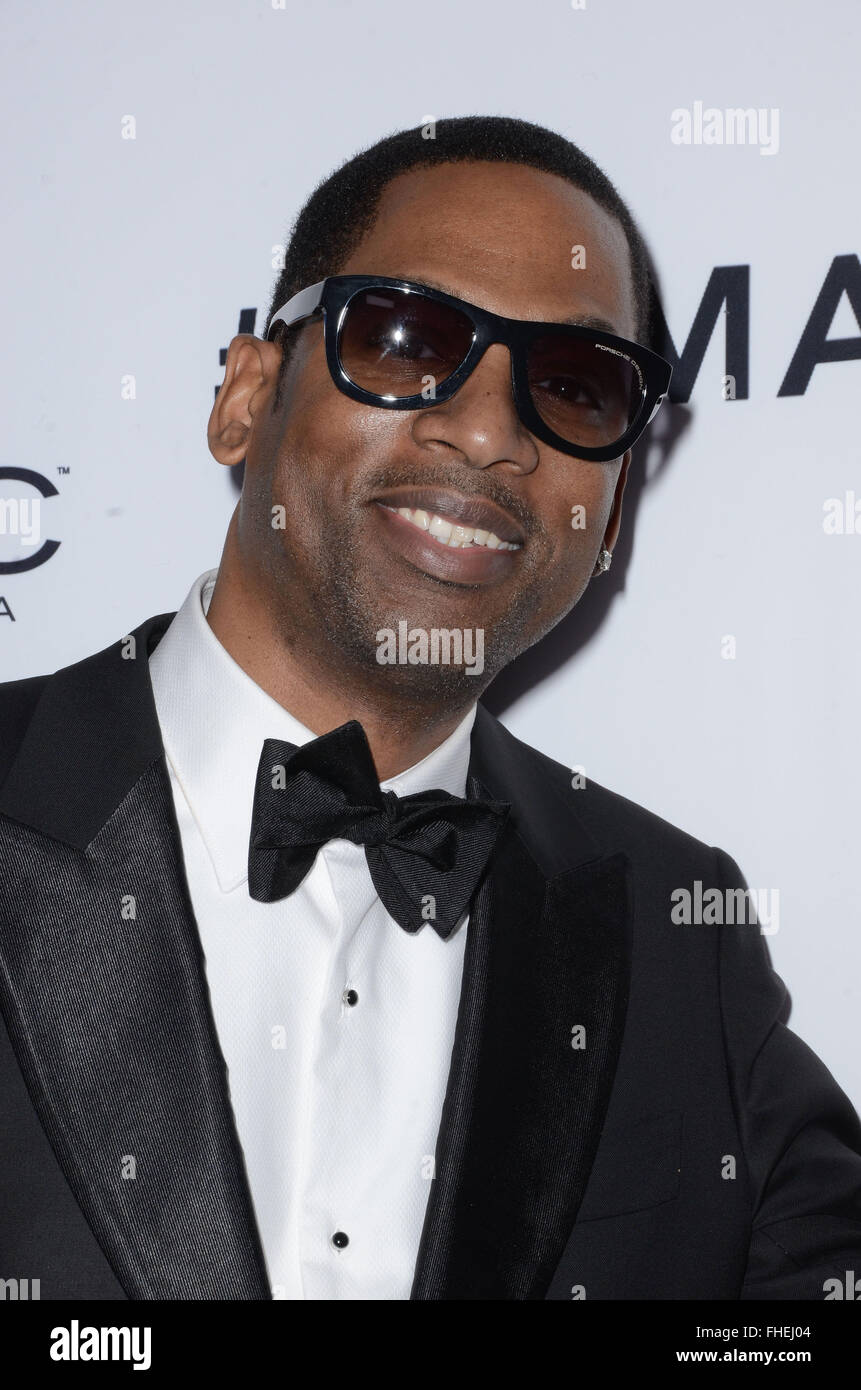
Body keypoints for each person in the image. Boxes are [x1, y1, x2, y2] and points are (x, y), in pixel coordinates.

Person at [1, 115, 859, 1302]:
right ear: (245, 397)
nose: (489, 430)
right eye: (409, 338)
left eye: (573, 383)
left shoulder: (680, 940)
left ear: (612, 512)